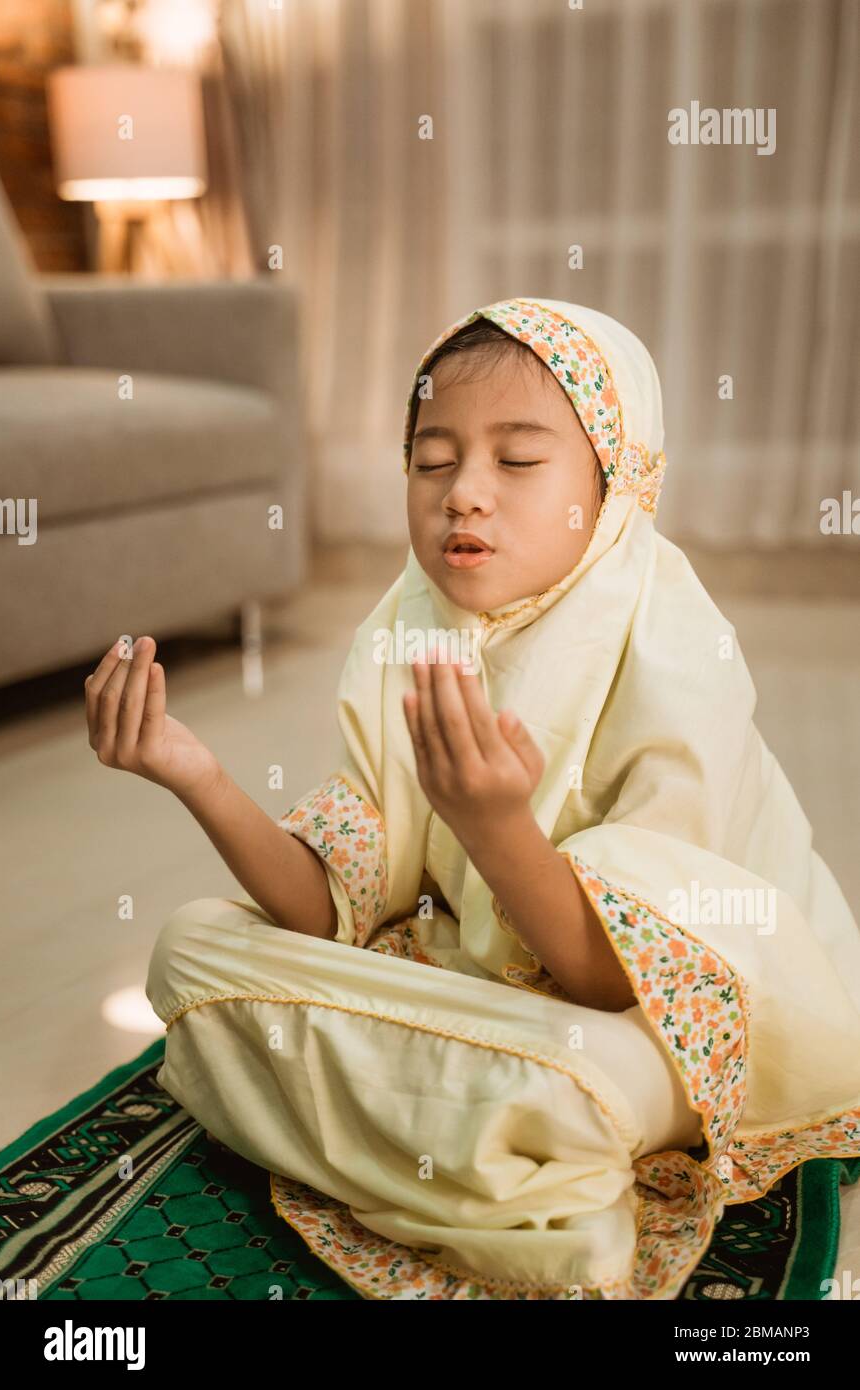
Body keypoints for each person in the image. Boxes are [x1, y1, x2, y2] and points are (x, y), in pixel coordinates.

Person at [85, 298, 860, 1300]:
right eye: (431, 459)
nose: (463, 495)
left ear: (614, 478)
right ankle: (519, 1184)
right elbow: (330, 909)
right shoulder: (407, 622)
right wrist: (193, 773)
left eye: (517, 460)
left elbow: (605, 980)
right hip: (486, 1007)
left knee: (585, 1079)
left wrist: (493, 828)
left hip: (635, 1025)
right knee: (188, 950)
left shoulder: (672, 642)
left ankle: (484, 1152)